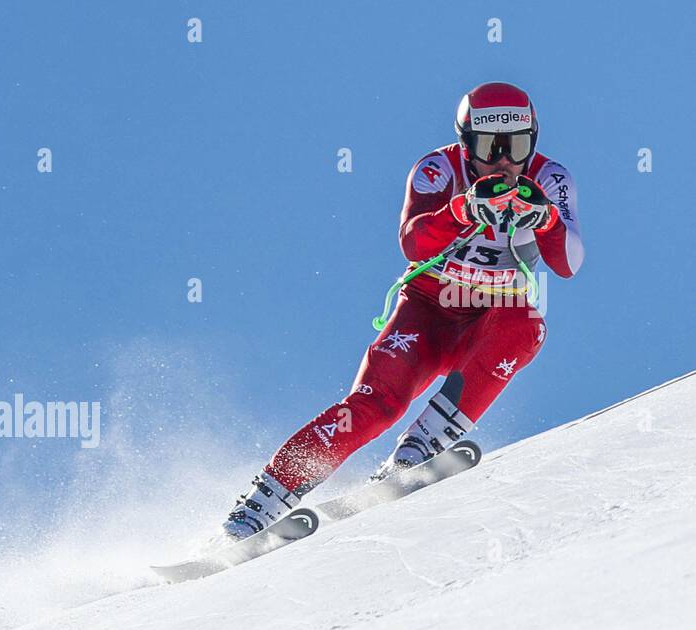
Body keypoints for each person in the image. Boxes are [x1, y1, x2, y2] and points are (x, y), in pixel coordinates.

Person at [223, 81, 584, 539]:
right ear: (464, 142)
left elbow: (568, 262)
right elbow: (413, 242)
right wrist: (464, 209)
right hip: (429, 313)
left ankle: (419, 448)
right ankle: (257, 505)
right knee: (374, 406)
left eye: (516, 146)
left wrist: (548, 219)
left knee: (528, 325)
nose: (503, 162)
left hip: (490, 320)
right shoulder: (436, 169)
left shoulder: (550, 180)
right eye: (489, 147)